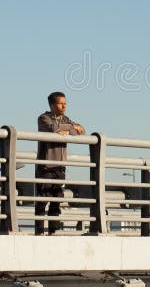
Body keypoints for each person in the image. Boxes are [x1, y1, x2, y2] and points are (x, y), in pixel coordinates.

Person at [35, 91, 85, 235]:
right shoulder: (43, 118)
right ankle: (39, 232)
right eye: (60, 103)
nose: (64, 106)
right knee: (42, 199)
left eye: (65, 103)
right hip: (45, 166)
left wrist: (66, 130)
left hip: (60, 167)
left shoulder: (66, 119)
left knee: (57, 199)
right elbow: (52, 129)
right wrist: (69, 128)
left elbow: (81, 131)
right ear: (52, 105)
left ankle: (53, 231)